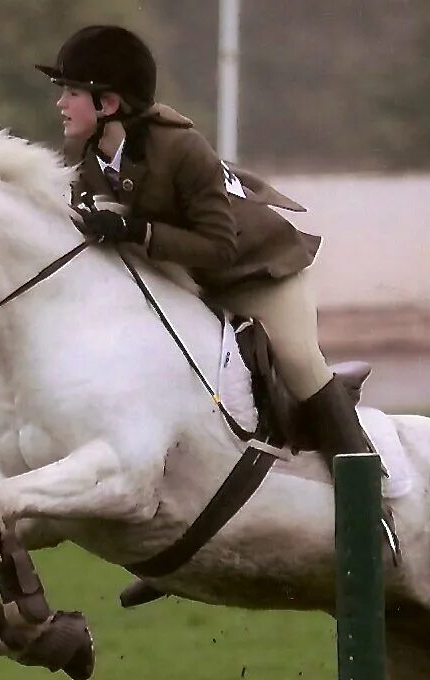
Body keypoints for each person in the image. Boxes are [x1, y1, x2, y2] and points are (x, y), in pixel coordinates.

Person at [36, 24, 376, 470]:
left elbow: (220, 248)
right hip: (187, 279)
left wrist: (135, 230)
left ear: (108, 103)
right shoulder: (84, 151)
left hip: (258, 273)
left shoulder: (180, 148)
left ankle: (369, 486)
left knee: (299, 362)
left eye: (71, 92)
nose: (60, 103)